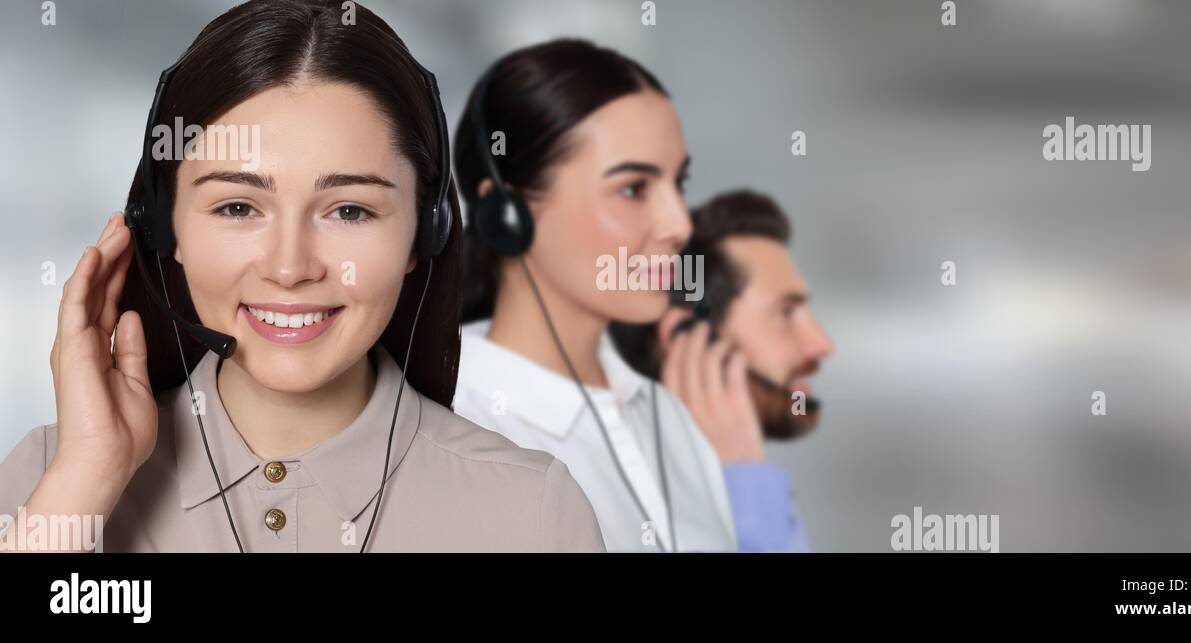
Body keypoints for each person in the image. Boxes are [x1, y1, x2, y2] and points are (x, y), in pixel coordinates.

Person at [0, 0, 603, 553]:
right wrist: (87, 474)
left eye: (349, 210)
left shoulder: (531, 512)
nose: (289, 268)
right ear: (164, 227)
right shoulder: (49, 479)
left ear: (426, 233)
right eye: (238, 208)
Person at [451, 39, 736, 552]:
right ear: (507, 213)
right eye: (633, 189)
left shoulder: (668, 417)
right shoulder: (445, 431)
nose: (679, 224)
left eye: (679, 183)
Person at [612, 190, 834, 552]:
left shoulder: (754, 497)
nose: (822, 344)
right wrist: (741, 478)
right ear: (687, 335)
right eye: (785, 313)